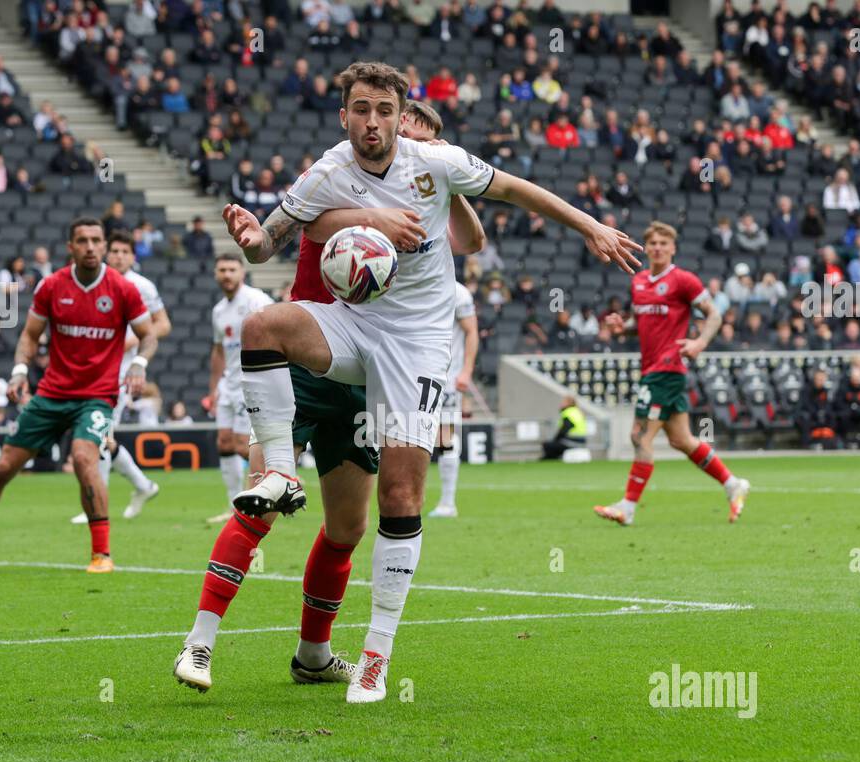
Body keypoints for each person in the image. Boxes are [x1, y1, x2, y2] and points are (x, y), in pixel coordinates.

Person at [209, 62, 640, 703]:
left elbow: (519, 192)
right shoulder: (328, 170)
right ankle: (279, 470)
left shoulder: (436, 163)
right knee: (261, 323)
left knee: (402, 492)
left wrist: (591, 226)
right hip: (355, 326)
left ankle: (376, 655)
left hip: (418, 346)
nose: (374, 120)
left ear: (399, 111)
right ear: (345, 114)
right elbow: (266, 245)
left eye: (385, 109)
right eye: (362, 109)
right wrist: (248, 237)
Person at [175, 97, 487, 698]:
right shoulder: (337, 178)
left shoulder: (425, 191)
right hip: (309, 358)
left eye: (422, 142)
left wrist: (452, 186)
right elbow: (278, 236)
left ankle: (313, 655)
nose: (400, 145)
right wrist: (255, 235)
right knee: (261, 503)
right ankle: (200, 641)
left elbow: (469, 243)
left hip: (371, 376)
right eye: (402, 133)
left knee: (347, 527)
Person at [0, 219, 156, 575]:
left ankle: (102, 554)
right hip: (51, 394)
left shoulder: (122, 289)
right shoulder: (52, 286)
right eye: (83, 240)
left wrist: (139, 362)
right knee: (4, 467)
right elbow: (30, 336)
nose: (91, 247)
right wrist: (19, 369)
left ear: (105, 245)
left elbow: (148, 334)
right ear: (70, 246)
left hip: (96, 396)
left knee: (83, 458)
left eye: (97, 240)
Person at [594, 221, 750, 527]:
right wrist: (621, 328)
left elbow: (714, 314)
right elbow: (641, 323)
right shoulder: (638, 282)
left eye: (664, 243)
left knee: (639, 435)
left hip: (666, 369)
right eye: (652, 243)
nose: (657, 248)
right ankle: (733, 484)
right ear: (646, 247)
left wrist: (700, 342)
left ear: (673, 248)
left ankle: (627, 507)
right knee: (682, 439)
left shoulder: (683, 280)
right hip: (653, 368)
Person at [67, 230, 167, 524]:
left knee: (98, 434)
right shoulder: (96, 280)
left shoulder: (142, 286)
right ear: (107, 253)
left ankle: (99, 503)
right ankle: (143, 486)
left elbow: (163, 324)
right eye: (116, 251)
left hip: (123, 372)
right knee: (102, 435)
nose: (120, 256)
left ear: (133, 257)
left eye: (126, 252)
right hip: (93, 369)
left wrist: (134, 342)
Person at [205, 252, 274, 522]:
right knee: (224, 442)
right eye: (222, 270)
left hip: (251, 382)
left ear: (242, 272)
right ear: (215, 274)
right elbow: (219, 352)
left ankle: (280, 475)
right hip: (228, 386)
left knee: (239, 443)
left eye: (232, 269)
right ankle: (235, 503)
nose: (227, 275)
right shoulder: (218, 310)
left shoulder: (256, 300)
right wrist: (213, 388)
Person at [427, 279, 478, 518]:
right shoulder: (414, 283)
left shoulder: (458, 292)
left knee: (444, 436)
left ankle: (448, 503)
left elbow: (471, 331)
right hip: (411, 374)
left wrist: (466, 371)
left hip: (446, 378)